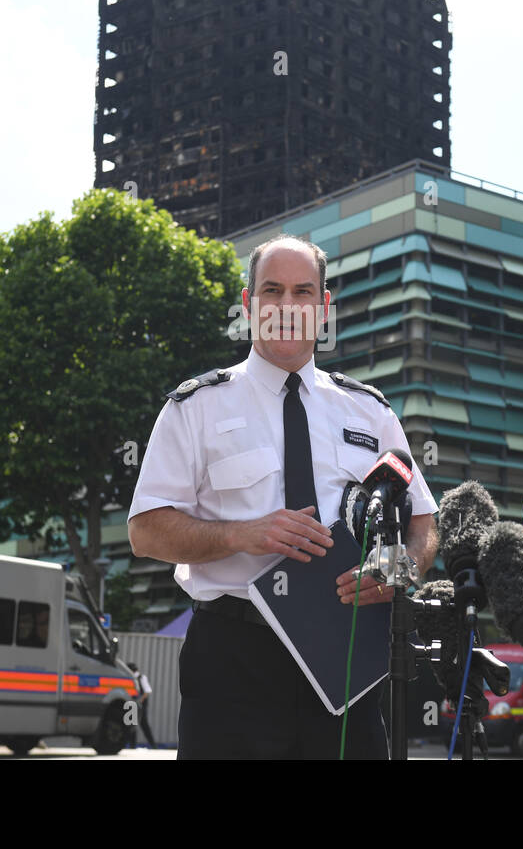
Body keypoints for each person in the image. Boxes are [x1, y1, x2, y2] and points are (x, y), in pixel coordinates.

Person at [128, 234, 439, 759]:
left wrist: (398, 571)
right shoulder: (195, 407)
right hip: (233, 659)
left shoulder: (370, 412)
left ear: (323, 309)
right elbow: (144, 532)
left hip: (345, 651)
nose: (288, 306)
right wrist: (240, 534)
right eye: (272, 291)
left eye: (303, 292)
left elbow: (423, 522)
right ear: (249, 305)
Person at [128, 661, 158, 748]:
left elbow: (147, 691)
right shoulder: (131, 678)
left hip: (141, 704)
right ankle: (132, 746)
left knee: (143, 724)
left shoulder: (141, 677)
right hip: (133, 704)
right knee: (131, 723)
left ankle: (153, 745)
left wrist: (140, 701)